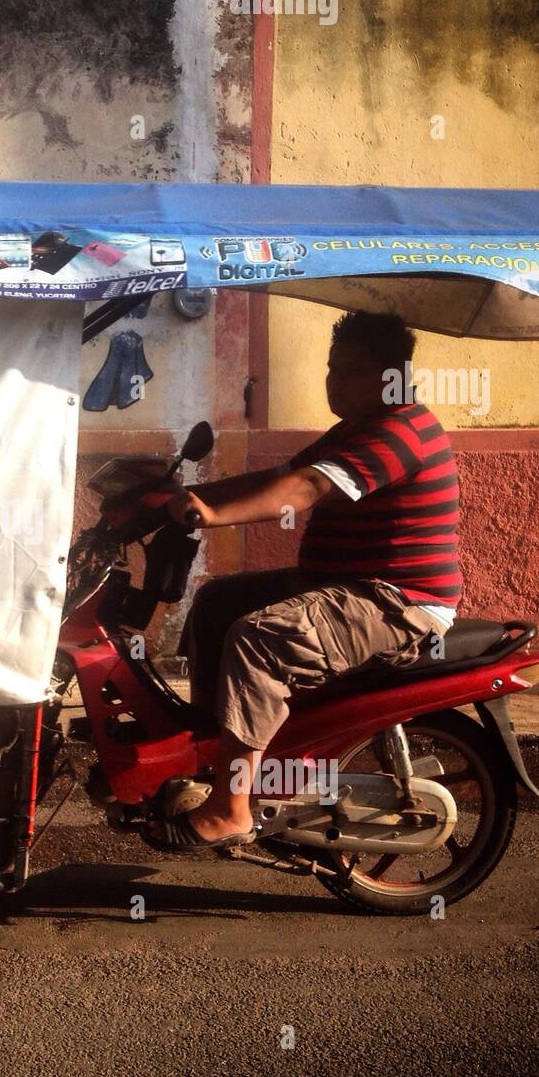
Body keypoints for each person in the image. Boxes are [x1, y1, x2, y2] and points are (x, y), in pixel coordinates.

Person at [154, 310, 462, 852]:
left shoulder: (399, 431)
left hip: (396, 602)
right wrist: (188, 494)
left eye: (351, 371)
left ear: (394, 377)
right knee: (215, 601)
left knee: (258, 637)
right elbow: (278, 478)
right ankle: (217, 754)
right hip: (342, 585)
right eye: (331, 367)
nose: (333, 382)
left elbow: (307, 489)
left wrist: (215, 516)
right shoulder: (355, 428)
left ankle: (231, 809)